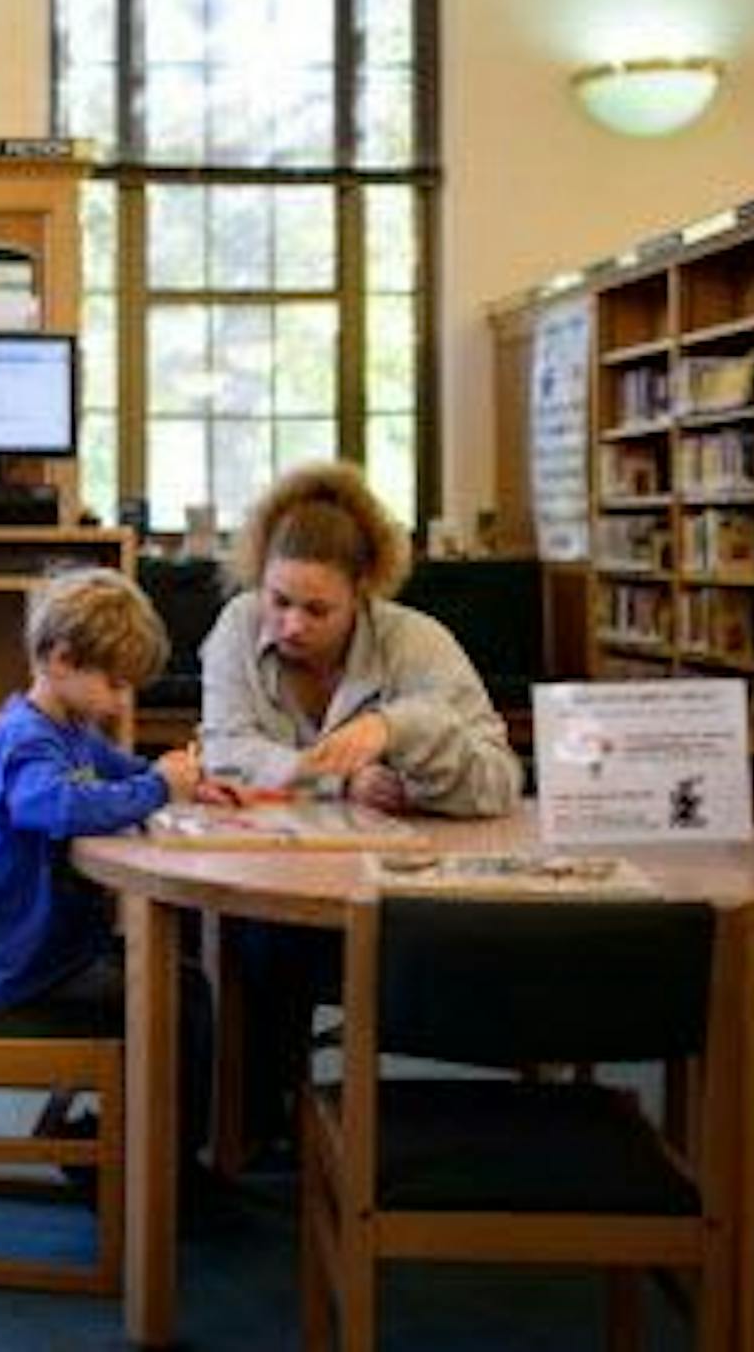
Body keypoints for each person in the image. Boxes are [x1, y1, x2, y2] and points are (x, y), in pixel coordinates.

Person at [197, 459, 523, 1153]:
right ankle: (257, 1121)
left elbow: (498, 782)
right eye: (279, 599)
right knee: (247, 940)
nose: (289, 624)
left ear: (364, 594)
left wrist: (400, 729)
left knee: (285, 950)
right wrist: (337, 783)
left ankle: (312, 1125)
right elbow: (225, 754)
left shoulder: (418, 642)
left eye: (318, 609)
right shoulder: (235, 626)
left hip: (398, 896)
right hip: (273, 886)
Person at [0, 567, 220, 1159]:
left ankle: (131, 1137)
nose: (122, 699)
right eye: (114, 682)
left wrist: (181, 779)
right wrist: (159, 788)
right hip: (30, 964)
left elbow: (111, 766)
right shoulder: (27, 738)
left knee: (177, 973)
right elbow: (55, 806)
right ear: (59, 658)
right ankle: (165, 1171)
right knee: (183, 998)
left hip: (54, 946)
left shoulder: (66, 727)